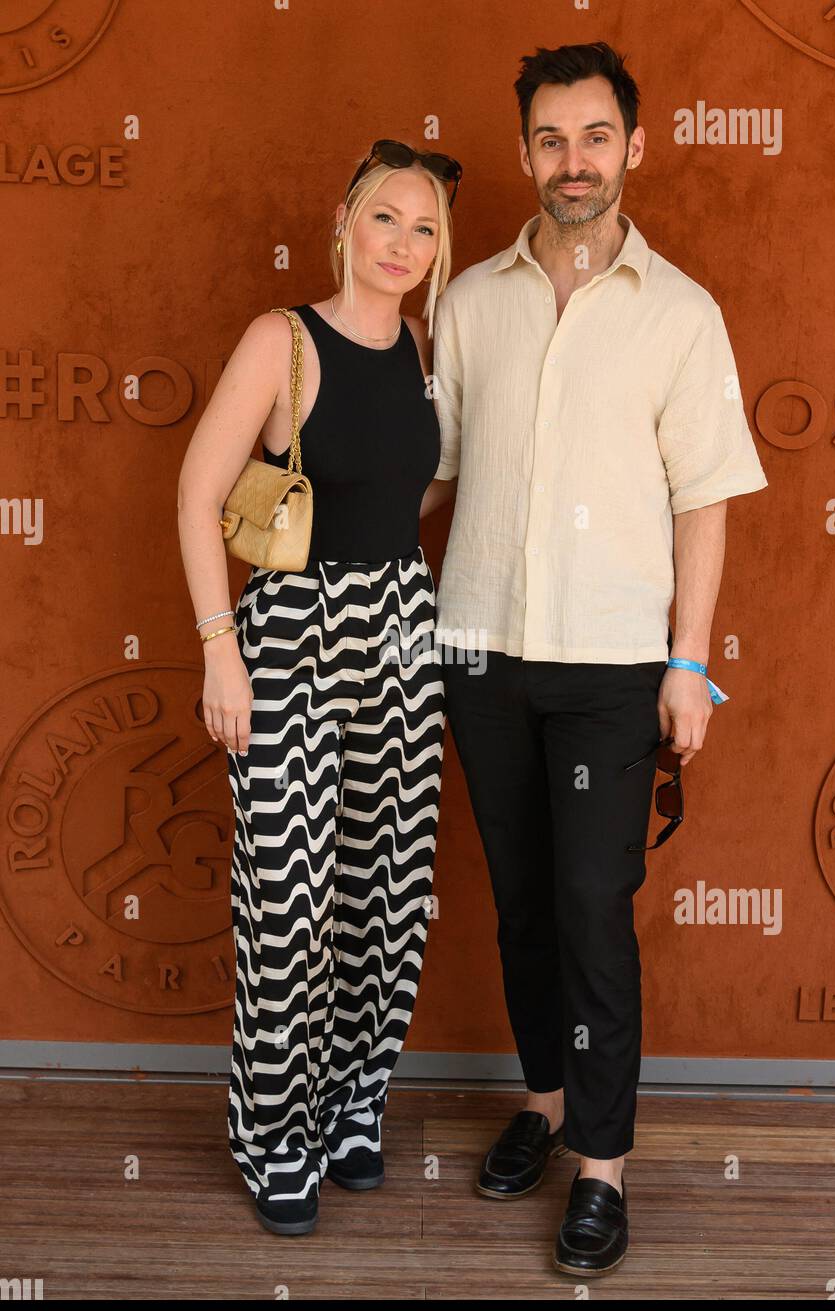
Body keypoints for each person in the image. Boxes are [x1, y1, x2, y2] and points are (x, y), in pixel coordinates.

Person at [431, 42, 769, 1275]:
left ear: (633, 146)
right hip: (476, 646)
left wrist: (688, 664)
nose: (570, 162)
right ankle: (545, 1098)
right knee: (521, 901)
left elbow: (706, 502)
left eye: (592, 137)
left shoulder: (679, 314)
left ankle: (602, 1165)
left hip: (614, 664)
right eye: (548, 140)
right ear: (524, 153)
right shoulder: (466, 300)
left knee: (589, 906)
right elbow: (434, 465)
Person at [177, 139, 462, 1235]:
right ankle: (271, 1133)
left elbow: (416, 489)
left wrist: (395, 585)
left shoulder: (425, 351)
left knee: (385, 889)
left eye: (424, 228)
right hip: (291, 629)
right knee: (288, 904)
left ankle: (353, 1101)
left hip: (400, 629)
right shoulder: (282, 342)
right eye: (386, 218)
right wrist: (220, 648)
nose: (401, 243)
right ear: (344, 219)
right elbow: (199, 494)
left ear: (438, 252)